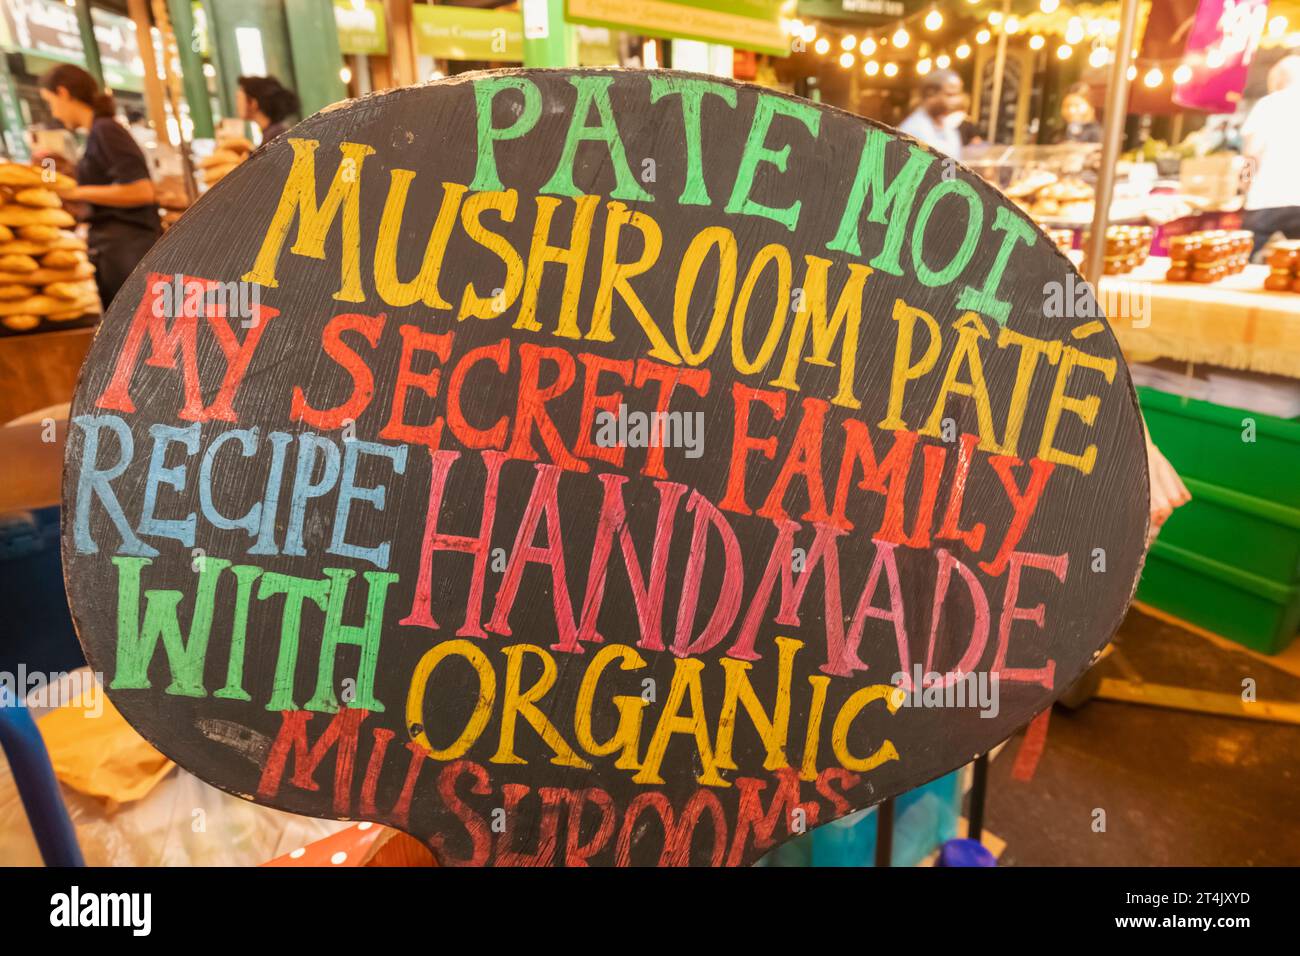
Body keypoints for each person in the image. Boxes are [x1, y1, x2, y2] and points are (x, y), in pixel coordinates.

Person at [38, 64, 160, 310]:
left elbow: (142, 190)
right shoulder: (94, 134)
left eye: (50, 102)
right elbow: (51, 183)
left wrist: (74, 192)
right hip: (116, 251)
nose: (54, 113)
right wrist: (47, 161)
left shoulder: (106, 129)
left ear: (63, 93)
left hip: (129, 251)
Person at [1240, 55, 1300, 256]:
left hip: (1265, 199)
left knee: (1241, 256)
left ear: (1278, 78)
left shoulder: (1268, 105)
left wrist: (1245, 183)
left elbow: (1251, 154)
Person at [898, 69, 966, 158]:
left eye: (958, 94)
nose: (957, 101)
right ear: (931, 95)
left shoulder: (948, 127)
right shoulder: (912, 130)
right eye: (950, 95)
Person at [236, 75, 300, 144]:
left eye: (239, 99)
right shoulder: (274, 133)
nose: (237, 105)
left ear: (253, 103)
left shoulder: (277, 138)